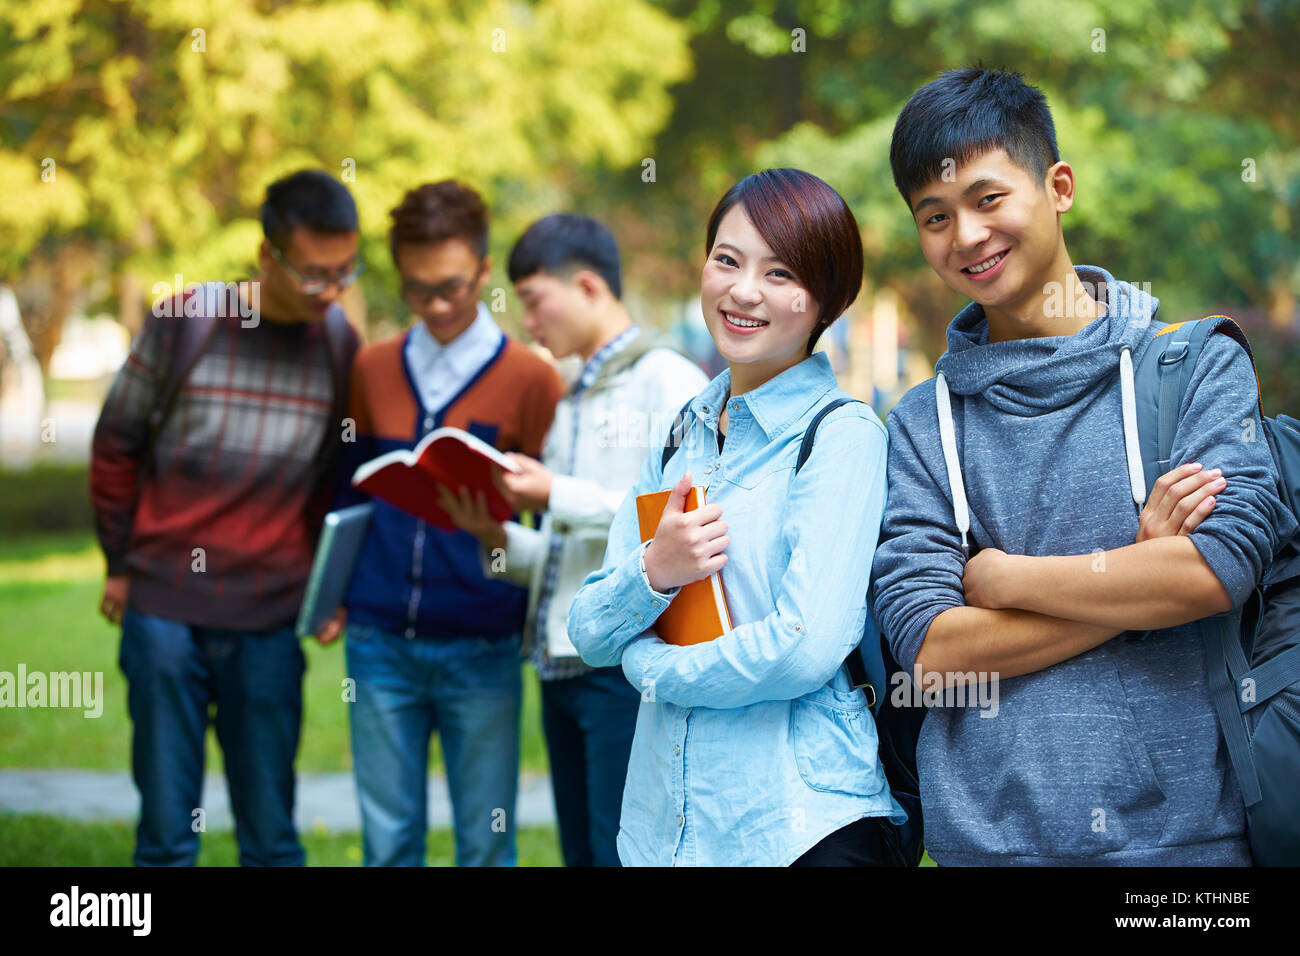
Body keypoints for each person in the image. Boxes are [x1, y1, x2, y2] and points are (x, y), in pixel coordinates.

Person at [869, 67, 1296, 866]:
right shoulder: (923, 424)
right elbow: (930, 653)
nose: (965, 236)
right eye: (935, 215)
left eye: (988, 199)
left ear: (1058, 186)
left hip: (1187, 856)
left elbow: (1218, 569)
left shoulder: (1195, 364)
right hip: (984, 854)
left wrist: (1001, 580)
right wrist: (1140, 576)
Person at [566, 169, 907, 866]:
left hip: (799, 828)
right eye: (727, 260)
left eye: (781, 273)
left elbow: (804, 647)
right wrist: (653, 572)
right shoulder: (679, 433)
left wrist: (655, 669)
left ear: (825, 300)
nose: (743, 291)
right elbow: (589, 631)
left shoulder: (841, 434)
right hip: (665, 828)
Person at [90, 169, 363, 866]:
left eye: (344, 271)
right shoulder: (187, 322)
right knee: (166, 835)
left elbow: (341, 478)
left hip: (270, 617)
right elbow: (117, 444)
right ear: (266, 256)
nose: (330, 291)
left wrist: (331, 588)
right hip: (163, 611)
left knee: (271, 834)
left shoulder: (337, 342)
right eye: (312, 274)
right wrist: (118, 564)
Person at [437, 213, 708, 866]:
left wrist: (550, 494)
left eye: (533, 301)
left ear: (588, 285)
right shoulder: (569, 399)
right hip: (558, 662)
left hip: (621, 666)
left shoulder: (666, 381)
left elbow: (672, 528)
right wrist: (493, 534)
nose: (527, 323)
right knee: (581, 852)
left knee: (622, 849)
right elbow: (573, 558)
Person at [326, 181, 565, 867]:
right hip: (378, 645)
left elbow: (552, 513)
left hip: (483, 644)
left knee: (485, 845)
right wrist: (333, 596)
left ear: (485, 273)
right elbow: (349, 492)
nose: (435, 305)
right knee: (389, 841)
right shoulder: (371, 368)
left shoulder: (530, 378)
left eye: (453, 288)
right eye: (416, 288)